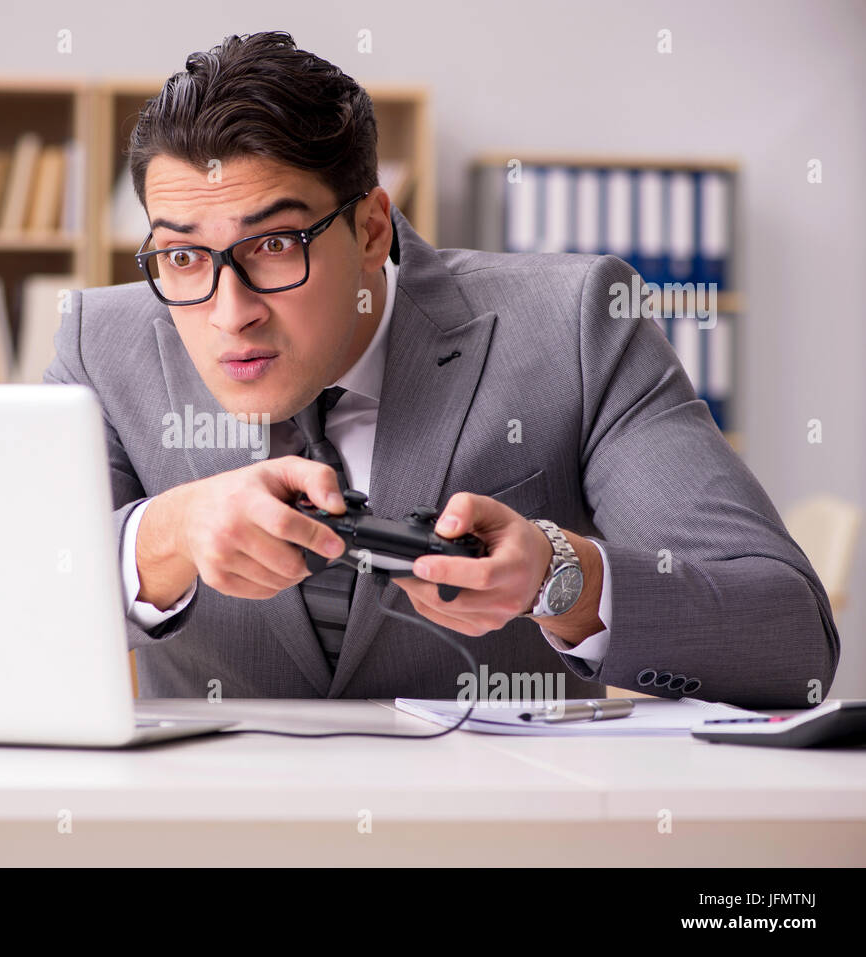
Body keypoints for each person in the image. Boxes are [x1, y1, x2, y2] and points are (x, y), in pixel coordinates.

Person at [45, 31, 838, 708]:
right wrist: (162, 536)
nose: (230, 312)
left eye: (274, 246)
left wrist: (564, 580)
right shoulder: (101, 343)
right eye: (183, 255)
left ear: (369, 229)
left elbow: (791, 641)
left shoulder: (575, 325)